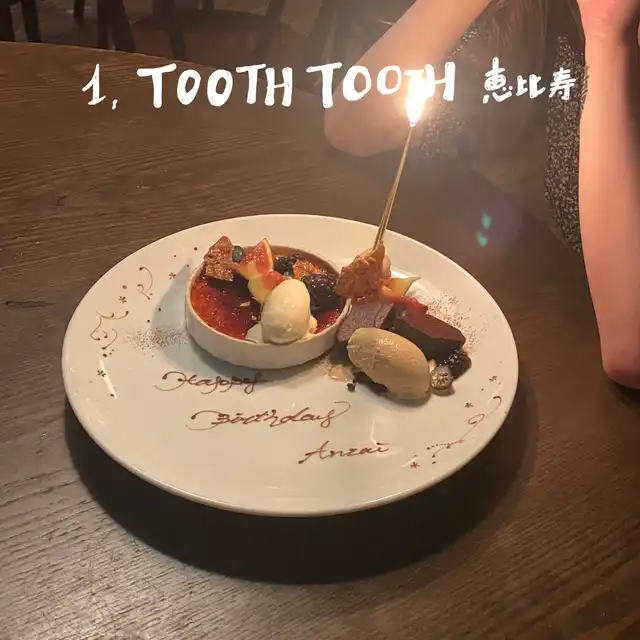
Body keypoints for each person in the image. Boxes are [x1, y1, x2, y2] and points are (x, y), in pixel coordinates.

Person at [324, 0, 640, 388]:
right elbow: (352, 127)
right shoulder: (542, 19)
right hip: (544, 321)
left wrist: (608, 34)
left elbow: (631, 353)